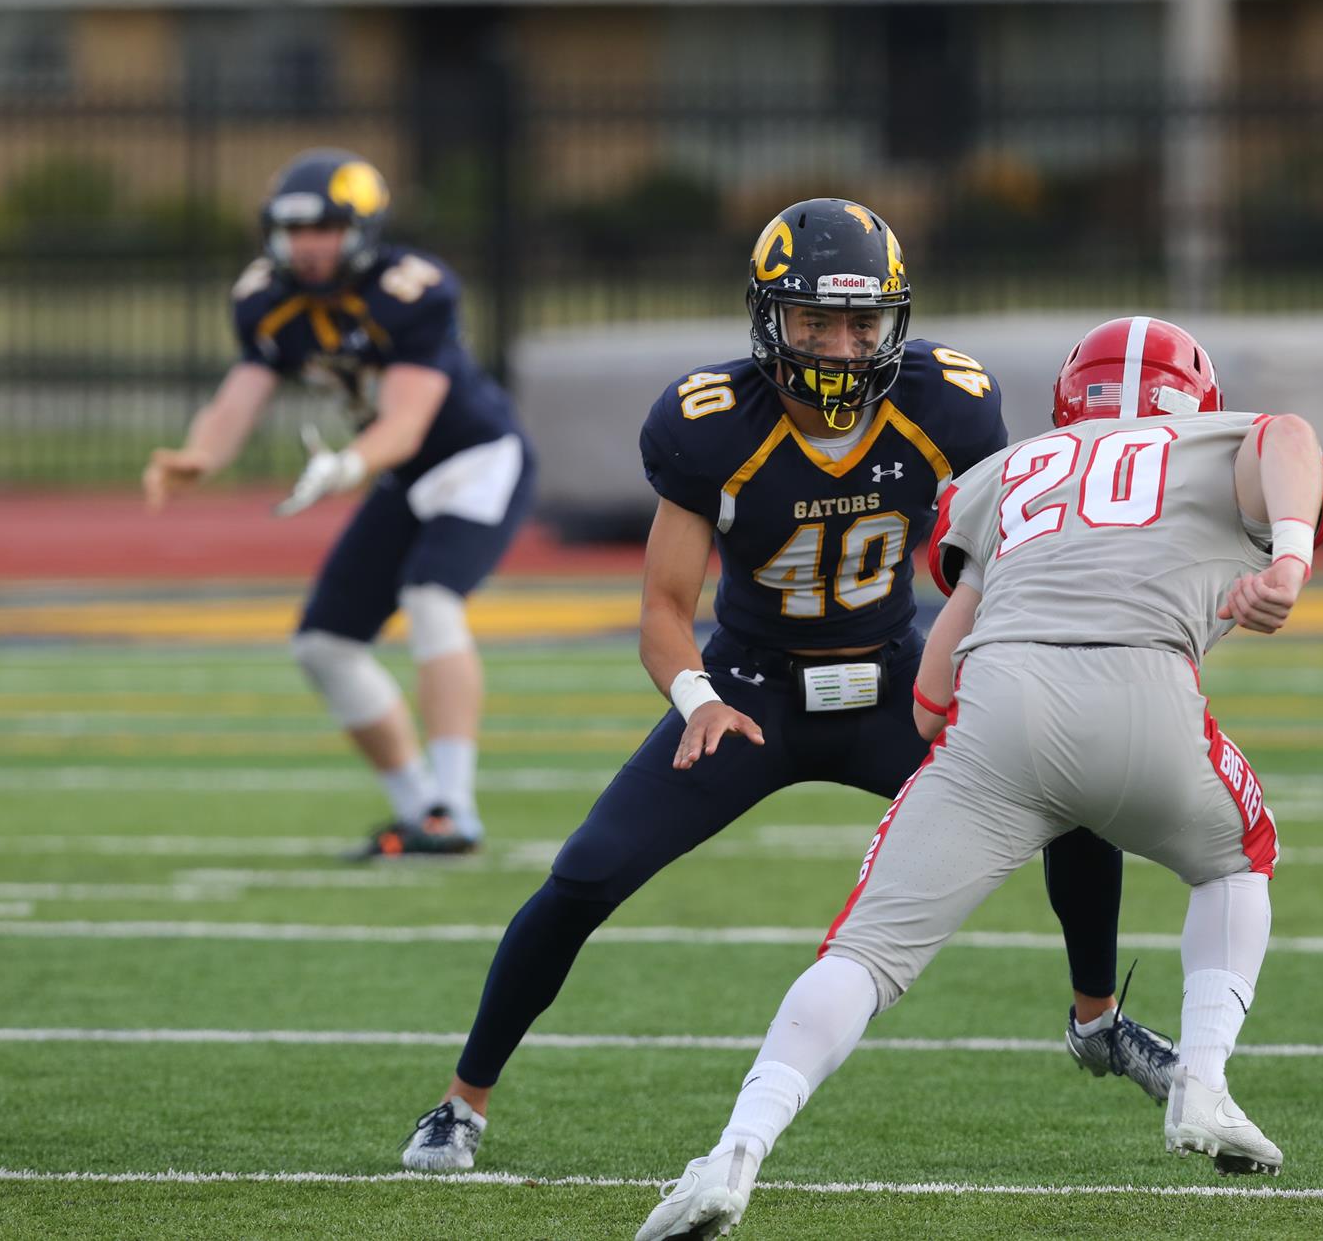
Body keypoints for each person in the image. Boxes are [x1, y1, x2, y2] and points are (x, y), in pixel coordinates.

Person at [399, 199, 1172, 1172]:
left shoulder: (948, 407)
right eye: (815, 320)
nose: (842, 346)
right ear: (772, 320)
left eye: (860, 322)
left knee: (1076, 791)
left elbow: (1006, 557)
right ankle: (460, 1101)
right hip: (750, 695)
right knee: (585, 875)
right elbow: (663, 610)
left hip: (894, 683)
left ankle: (1094, 1018)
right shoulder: (710, 425)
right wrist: (699, 701)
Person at [637, 315, 1323, 1240]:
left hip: (997, 705)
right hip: (1145, 693)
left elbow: (931, 691)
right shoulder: (1209, 439)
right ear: (1192, 400)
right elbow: (1286, 437)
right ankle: (1201, 1082)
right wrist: (1289, 558)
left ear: (1067, 400)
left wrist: (975, 749)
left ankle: (735, 1151)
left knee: (863, 953)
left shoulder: (1008, 471)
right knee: (1238, 856)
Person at [143, 149, 535, 859]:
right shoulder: (266, 297)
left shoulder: (413, 289)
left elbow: (408, 423)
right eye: (295, 229)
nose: (309, 244)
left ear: (361, 226)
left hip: (475, 459)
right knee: (323, 645)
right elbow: (243, 391)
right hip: (401, 475)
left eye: (324, 227)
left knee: (430, 597)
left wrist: (347, 464)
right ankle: (420, 810)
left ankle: (455, 803)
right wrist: (200, 452)